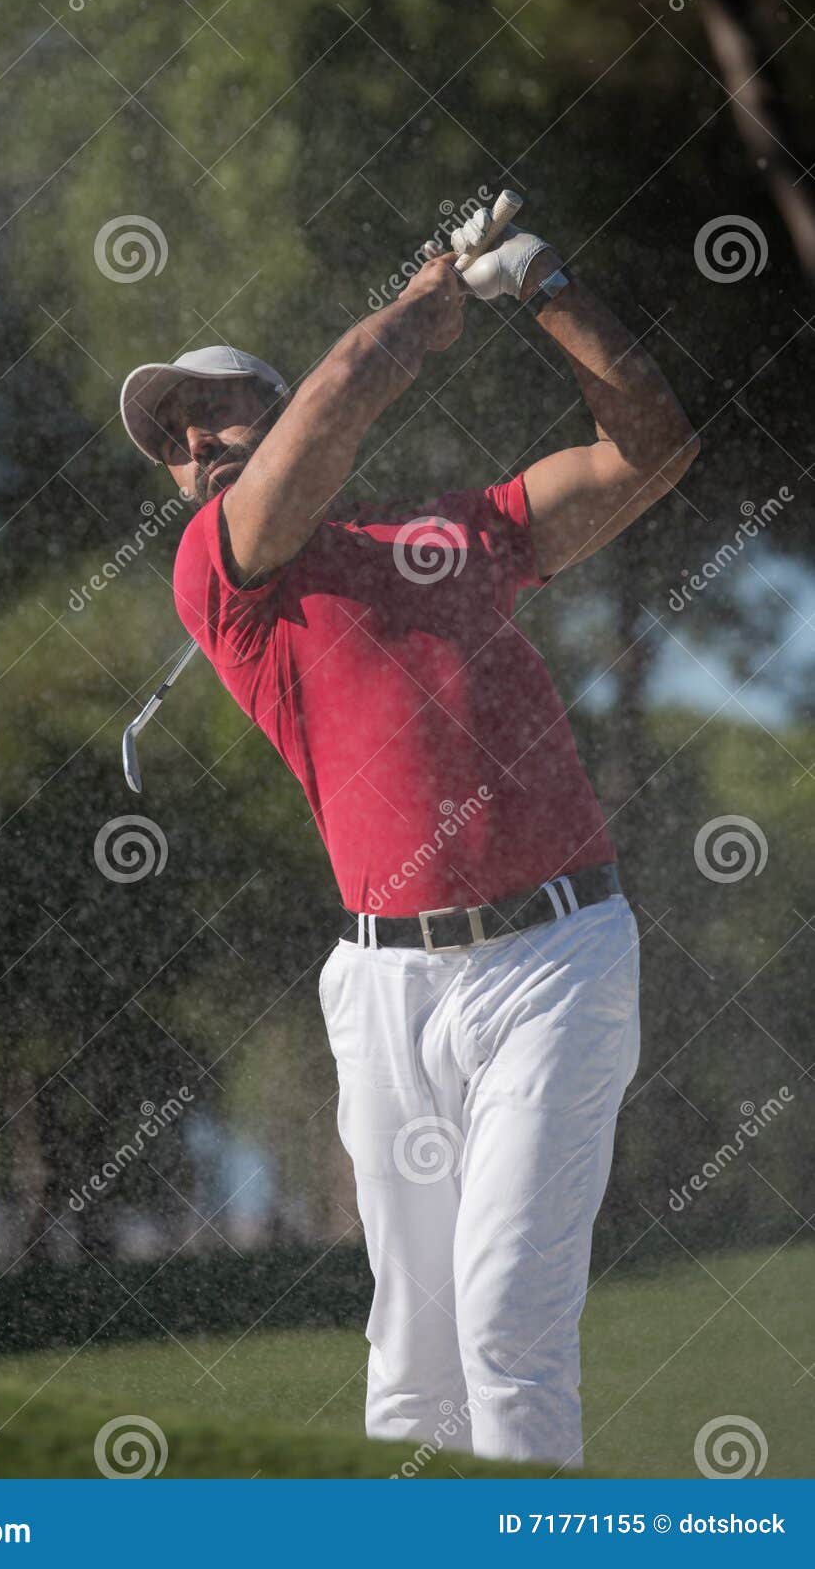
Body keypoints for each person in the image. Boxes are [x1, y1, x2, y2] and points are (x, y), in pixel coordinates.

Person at [119, 209, 699, 1469]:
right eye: (173, 436)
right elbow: (350, 377)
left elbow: (653, 449)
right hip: (383, 989)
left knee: (504, 1328)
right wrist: (428, 309)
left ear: (275, 414)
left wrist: (540, 282)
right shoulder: (219, 576)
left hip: (555, 963)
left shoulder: (459, 532)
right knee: (412, 1370)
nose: (193, 442)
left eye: (214, 411)